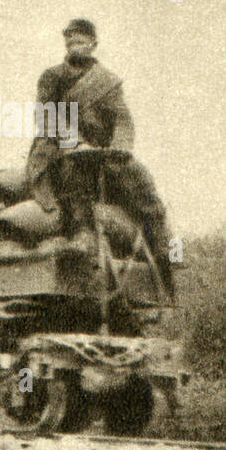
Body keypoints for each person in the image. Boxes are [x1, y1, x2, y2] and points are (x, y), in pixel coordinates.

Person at [25, 19, 173, 297]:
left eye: (80, 42)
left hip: (103, 154)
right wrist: (75, 143)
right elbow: (47, 116)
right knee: (72, 170)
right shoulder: (52, 77)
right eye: (70, 42)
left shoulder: (108, 82)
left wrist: (119, 148)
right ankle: (82, 233)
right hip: (58, 150)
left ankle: (163, 253)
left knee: (141, 179)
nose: (74, 47)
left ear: (93, 44)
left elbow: (123, 120)